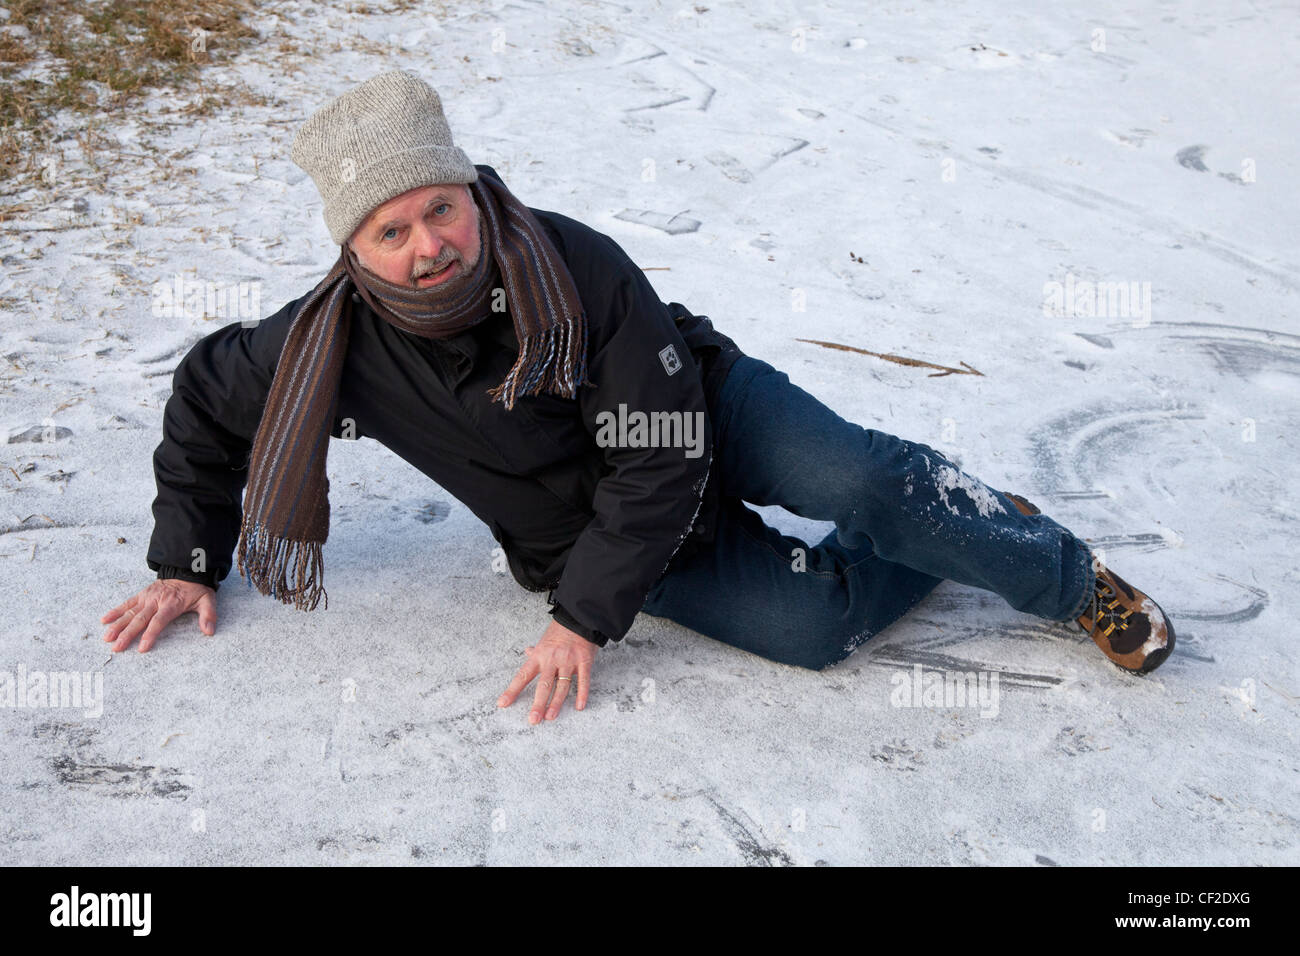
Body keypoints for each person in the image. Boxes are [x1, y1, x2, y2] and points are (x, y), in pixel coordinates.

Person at [100, 70, 1175, 724]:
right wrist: (184, 555)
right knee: (812, 625)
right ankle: (947, 525)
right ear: (354, 249)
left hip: (703, 412)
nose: (430, 244)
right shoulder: (323, 347)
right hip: (581, 529)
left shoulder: (575, 264)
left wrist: (581, 620)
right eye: (392, 230)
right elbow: (203, 396)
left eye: (441, 207)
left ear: (471, 191)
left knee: (854, 475)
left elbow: (658, 453)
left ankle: (1056, 568)